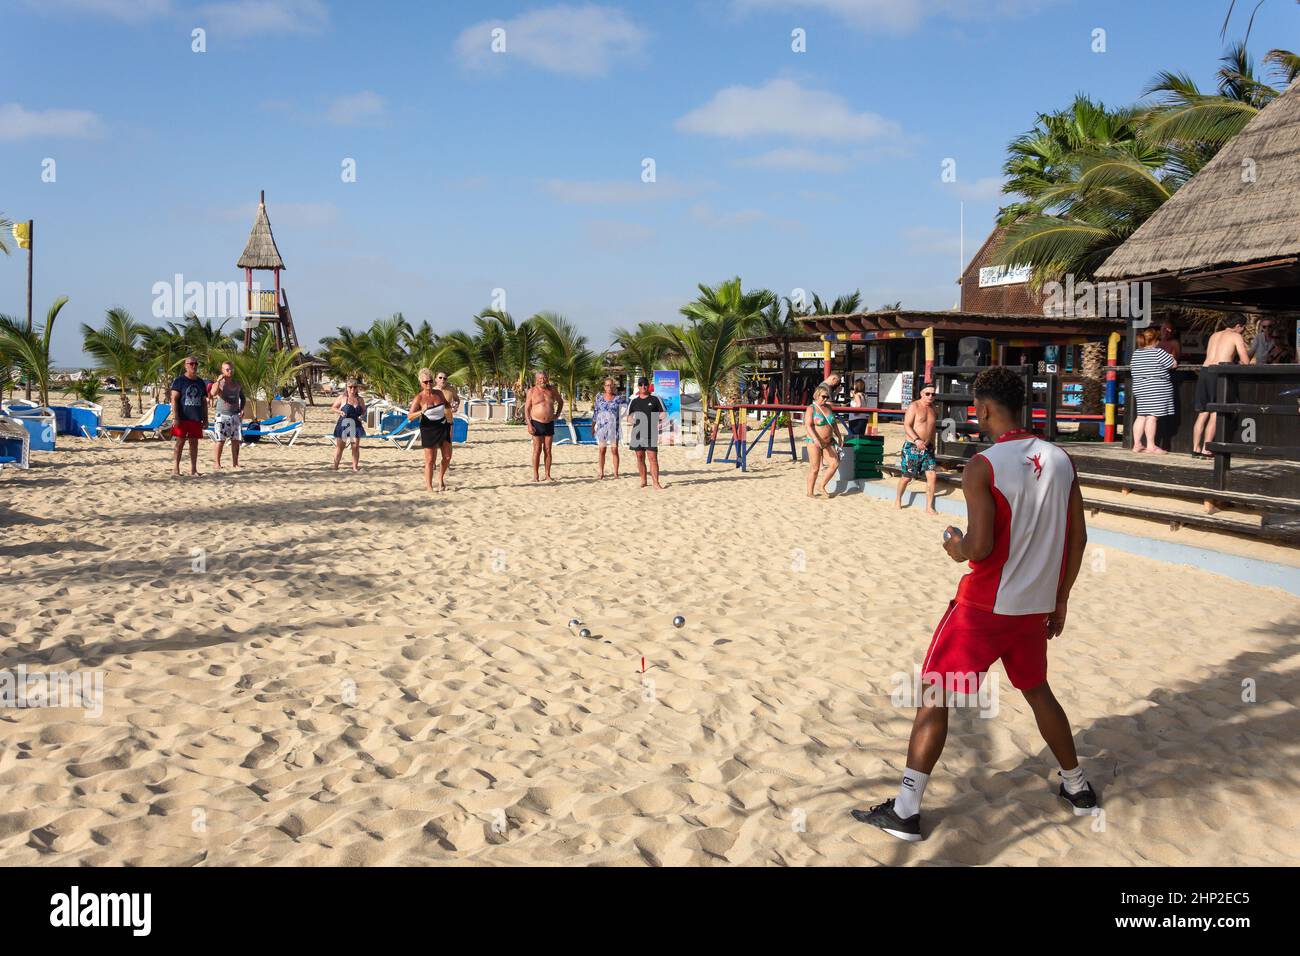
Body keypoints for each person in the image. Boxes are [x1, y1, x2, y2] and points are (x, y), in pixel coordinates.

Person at [851, 366, 1093, 842]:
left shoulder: (984, 465)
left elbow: (980, 547)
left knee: (934, 694)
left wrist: (954, 543)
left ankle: (905, 810)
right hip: (1034, 607)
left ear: (983, 409)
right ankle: (1078, 787)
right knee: (1037, 690)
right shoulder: (1061, 458)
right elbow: (1079, 537)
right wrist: (1060, 599)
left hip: (983, 608)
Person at [1192, 313, 1251, 458]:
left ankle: (1196, 448)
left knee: (1203, 412)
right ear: (1238, 326)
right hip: (1218, 373)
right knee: (1215, 411)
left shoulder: (1214, 335)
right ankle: (1207, 448)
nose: (1243, 331)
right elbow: (1246, 361)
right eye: (1243, 328)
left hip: (1205, 371)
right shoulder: (1236, 336)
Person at [1130, 327, 1177, 454]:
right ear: (1155, 341)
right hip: (1156, 387)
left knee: (1141, 416)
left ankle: (1137, 444)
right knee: (1152, 417)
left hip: (1140, 387)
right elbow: (1173, 365)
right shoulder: (1158, 352)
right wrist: (1172, 357)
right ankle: (1151, 446)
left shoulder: (1136, 353)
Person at [894, 383, 938, 514]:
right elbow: (907, 425)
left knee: (932, 475)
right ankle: (898, 500)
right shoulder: (914, 406)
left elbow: (933, 428)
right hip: (912, 446)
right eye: (927, 394)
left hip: (928, 447)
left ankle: (929, 507)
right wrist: (916, 439)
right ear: (921, 394)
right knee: (907, 477)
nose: (930, 396)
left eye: (933, 394)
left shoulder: (934, 409)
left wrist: (933, 443)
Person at [406, 368, 452, 491]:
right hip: (428, 429)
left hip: (443, 426)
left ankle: (440, 479)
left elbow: (446, 405)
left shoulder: (439, 393)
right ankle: (429, 487)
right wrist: (422, 411)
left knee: (447, 457)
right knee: (430, 460)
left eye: (430, 381)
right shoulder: (419, 398)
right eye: (425, 382)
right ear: (421, 383)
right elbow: (409, 416)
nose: (428, 384)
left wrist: (452, 406)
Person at [170, 356, 208, 477]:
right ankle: (176, 468)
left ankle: (193, 469)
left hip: (195, 417)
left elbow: (204, 402)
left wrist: (205, 419)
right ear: (185, 365)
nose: (194, 366)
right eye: (191, 363)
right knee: (180, 442)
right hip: (182, 417)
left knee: (194, 443)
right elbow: (174, 399)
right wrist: (175, 417)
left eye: (196, 363)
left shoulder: (200, 382)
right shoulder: (179, 381)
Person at [626, 376, 666, 490]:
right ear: (638, 387)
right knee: (639, 457)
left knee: (653, 458)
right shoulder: (634, 401)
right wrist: (632, 421)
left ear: (648, 386)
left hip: (651, 433)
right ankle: (643, 480)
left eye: (645, 384)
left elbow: (663, 413)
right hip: (637, 433)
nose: (643, 386)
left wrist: (659, 420)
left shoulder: (655, 399)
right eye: (641, 384)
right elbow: (628, 417)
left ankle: (656, 483)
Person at [523, 371, 564, 482]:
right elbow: (526, 409)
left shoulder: (552, 390)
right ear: (537, 380)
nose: (543, 380)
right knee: (537, 450)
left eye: (545, 378)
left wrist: (557, 414)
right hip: (536, 422)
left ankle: (547, 475)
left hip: (549, 423)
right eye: (540, 378)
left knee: (548, 449)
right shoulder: (532, 391)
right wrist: (529, 424)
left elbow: (560, 401)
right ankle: (535, 476)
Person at [803, 385, 841, 498]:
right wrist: (815, 439)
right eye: (823, 397)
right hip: (814, 441)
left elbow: (833, 423)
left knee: (834, 463)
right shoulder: (811, 408)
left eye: (827, 397)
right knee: (814, 468)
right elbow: (808, 426)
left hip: (828, 441)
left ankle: (822, 485)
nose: (825, 399)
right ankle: (810, 492)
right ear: (817, 395)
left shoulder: (828, 408)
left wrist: (839, 435)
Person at [208, 360, 245, 470]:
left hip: (235, 415)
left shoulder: (237, 384)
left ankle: (235, 463)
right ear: (222, 371)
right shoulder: (219, 383)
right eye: (227, 369)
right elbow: (213, 393)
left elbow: (242, 397)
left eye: (231, 369)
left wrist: (242, 409)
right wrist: (218, 381)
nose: (229, 371)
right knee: (220, 440)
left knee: (236, 440)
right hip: (222, 415)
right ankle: (217, 463)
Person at [591, 377, 627, 479]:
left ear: (614, 386)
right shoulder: (599, 398)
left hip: (614, 428)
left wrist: (621, 418)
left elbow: (627, 409)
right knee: (602, 450)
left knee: (614, 450)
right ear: (604, 387)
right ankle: (601, 472)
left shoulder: (619, 399)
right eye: (607, 385)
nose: (609, 387)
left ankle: (616, 473)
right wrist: (593, 426)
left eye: (611, 385)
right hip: (602, 428)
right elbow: (595, 413)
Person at [331, 380, 366, 471]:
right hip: (344, 423)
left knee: (355, 446)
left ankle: (355, 467)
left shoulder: (360, 399)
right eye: (350, 387)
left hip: (356, 424)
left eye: (354, 387)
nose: (352, 389)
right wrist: (340, 412)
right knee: (340, 447)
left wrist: (362, 416)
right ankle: (335, 466)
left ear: (357, 388)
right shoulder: (342, 398)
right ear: (347, 387)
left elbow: (363, 411)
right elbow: (333, 407)